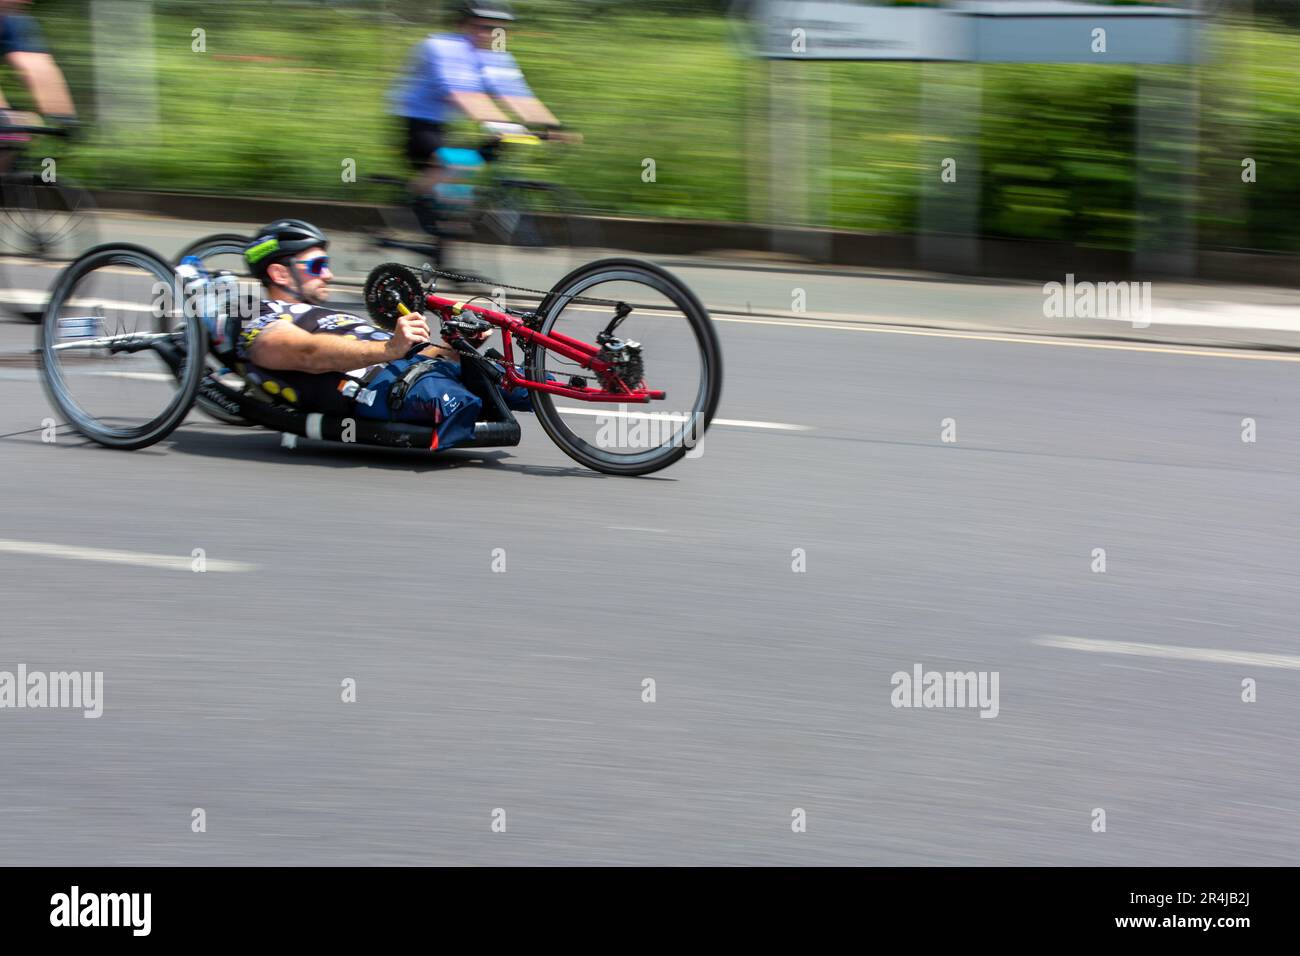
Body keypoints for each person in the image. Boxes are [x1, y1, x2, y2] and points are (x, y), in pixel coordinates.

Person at [239, 219, 528, 449]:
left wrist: (458, 347)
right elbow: (305, 353)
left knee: (532, 383)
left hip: (417, 367)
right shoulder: (263, 316)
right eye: (317, 266)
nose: (327, 275)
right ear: (280, 274)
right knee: (459, 404)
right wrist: (390, 348)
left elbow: (410, 354)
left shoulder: (326, 316)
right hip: (384, 385)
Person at [388, 0, 567, 230]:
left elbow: (517, 94)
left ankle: (445, 222)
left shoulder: (496, 56)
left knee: (492, 150)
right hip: (417, 121)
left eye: (497, 29)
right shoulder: (443, 47)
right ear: (463, 25)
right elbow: (463, 95)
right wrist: (503, 124)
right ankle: (411, 201)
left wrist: (553, 127)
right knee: (458, 164)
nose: (490, 34)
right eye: (483, 27)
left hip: (445, 123)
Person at [0, 0, 78, 170]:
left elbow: (37, 66)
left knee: (14, 130)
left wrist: (63, 117)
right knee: (10, 126)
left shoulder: (14, 20)